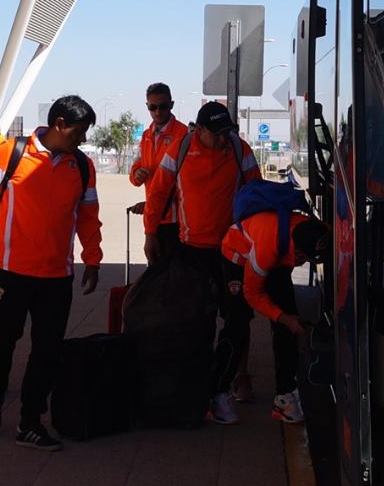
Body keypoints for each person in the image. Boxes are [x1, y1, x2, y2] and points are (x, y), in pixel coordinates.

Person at [0, 95, 103, 448]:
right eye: (77, 132)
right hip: (10, 272)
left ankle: (30, 421)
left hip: (56, 276)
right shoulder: (11, 152)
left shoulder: (82, 166)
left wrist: (93, 260)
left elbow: (88, 216)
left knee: (47, 350)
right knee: (1, 343)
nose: (81, 140)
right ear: (59, 124)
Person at [161, 101, 261, 424]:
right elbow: (158, 191)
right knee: (196, 321)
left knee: (238, 317)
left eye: (226, 133)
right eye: (216, 134)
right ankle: (199, 386)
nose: (221, 140)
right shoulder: (180, 149)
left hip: (231, 250)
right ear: (199, 130)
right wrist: (151, 233)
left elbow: (255, 189)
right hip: (191, 249)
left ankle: (237, 378)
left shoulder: (238, 148)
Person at [221, 209, 328, 424]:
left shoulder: (317, 230)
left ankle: (284, 397)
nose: (305, 264)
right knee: (238, 322)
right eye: (304, 260)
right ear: (297, 253)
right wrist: (283, 317)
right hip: (238, 254)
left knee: (288, 324)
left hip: (278, 256)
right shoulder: (266, 250)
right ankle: (217, 393)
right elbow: (253, 294)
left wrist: (288, 320)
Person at [126, 82, 189, 263]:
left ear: (171, 105)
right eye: (153, 107)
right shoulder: (146, 136)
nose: (158, 112)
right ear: (147, 106)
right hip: (154, 218)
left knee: (174, 277)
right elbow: (135, 172)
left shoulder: (183, 135)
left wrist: (151, 204)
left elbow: (187, 181)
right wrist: (137, 174)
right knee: (156, 276)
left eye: (163, 106)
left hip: (177, 221)